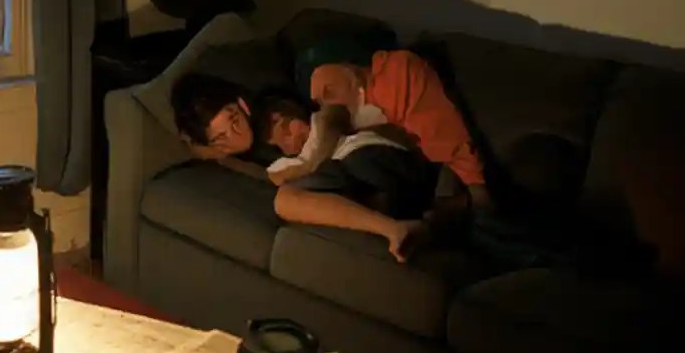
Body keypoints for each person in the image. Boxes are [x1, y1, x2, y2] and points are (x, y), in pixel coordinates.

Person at [170, 73, 428, 262]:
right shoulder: (239, 155)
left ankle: (415, 217)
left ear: (242, 105)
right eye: (221, 137)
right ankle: (398, 228)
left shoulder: (271, 109)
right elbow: (265, 176)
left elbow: (332, 114)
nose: (233, 136)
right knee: (285, 201)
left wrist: (311, 165)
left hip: (368, 153)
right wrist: (219, 153)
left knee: (333, 180)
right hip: (346, 176)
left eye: (234, 120)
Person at [298, 39, 491, 219]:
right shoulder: (333, 119)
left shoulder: (396, 71)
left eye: (329, 89)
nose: (327, 102)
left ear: (349, 66)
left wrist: (474, 185)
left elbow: (440, 130)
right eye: (320, 101)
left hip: (446, 172)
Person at [256, 95, 435, 222]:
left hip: (379, 155)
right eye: (282, 144)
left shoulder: (322, 118)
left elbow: (334, 117)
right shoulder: (298, 160)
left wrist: (315, 162)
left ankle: (423, 204)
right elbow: (276, 176)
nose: (291, 141)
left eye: (287, 128)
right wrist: (308, 167)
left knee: (353, 161)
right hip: (355, 181)